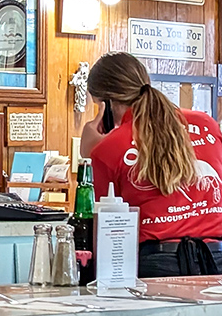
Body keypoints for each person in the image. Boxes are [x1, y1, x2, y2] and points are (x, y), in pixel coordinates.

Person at [80, 51, 222, 277]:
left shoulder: (108, 149)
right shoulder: (207, 124)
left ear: (106, 104)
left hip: (157, 263)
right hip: (215, 258)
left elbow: (106, 228)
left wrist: (89, 155)